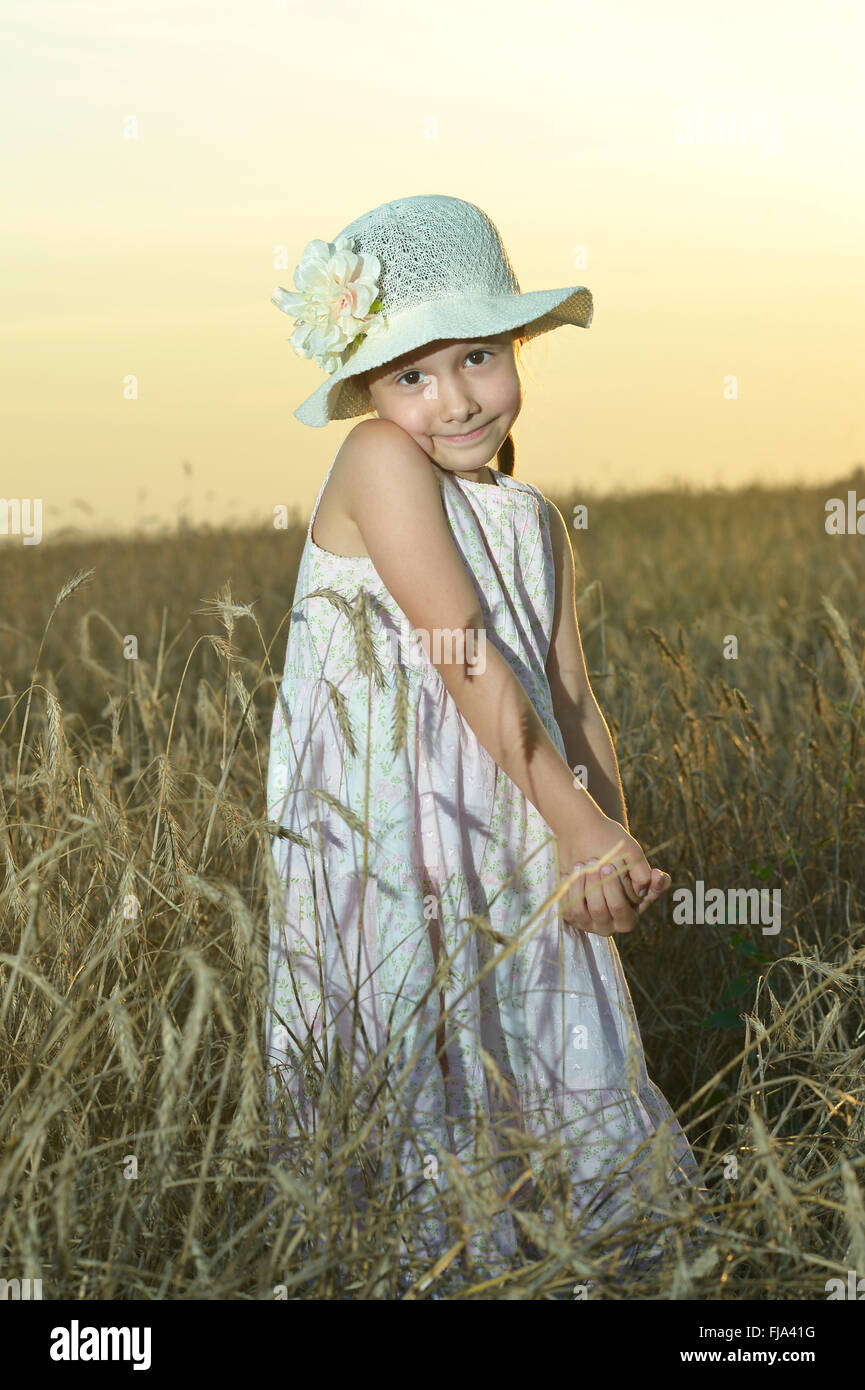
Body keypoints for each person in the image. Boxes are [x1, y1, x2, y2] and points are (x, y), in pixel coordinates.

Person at [265, 194, 702, 1282]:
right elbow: (460, 653)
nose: (453, 398)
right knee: (420, 1043)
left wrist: (609, 840)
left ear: (515, 351)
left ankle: (570, 1256)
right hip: (393, 843)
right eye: (411, 373)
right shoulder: (377, 460)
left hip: (519, 830)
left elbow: (567, 691)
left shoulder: (533, 515)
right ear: (369, 388)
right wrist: (575, 817)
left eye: (477, 357)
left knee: (539, 1044)